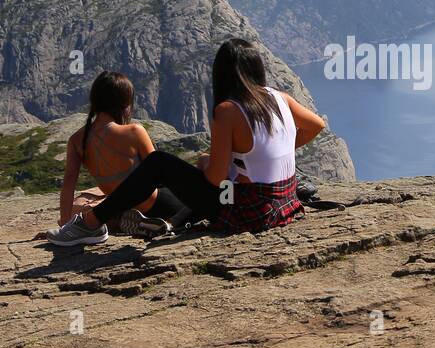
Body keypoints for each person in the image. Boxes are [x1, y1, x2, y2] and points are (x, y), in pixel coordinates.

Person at [48, 39, 326, 246]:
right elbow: (316, 125)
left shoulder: (228, 110)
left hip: (248, 212)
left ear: (222, 75)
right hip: (285, 203)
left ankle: (91, 223)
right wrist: (270, 155)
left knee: (158, 163)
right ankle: (165, 222)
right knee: (173, 175)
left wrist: (206, 161)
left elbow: (216, 179)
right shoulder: (281, 97)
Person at [55, 70, 187, 241]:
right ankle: (164, 223)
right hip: (155, 203)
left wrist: (66, 225)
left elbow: (68, 184)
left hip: (116, 206)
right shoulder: (134, 131)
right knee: (198, 203)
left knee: (90, 196)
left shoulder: (76, 140)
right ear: (125, 104)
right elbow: (158, 173)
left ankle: (121, 220)